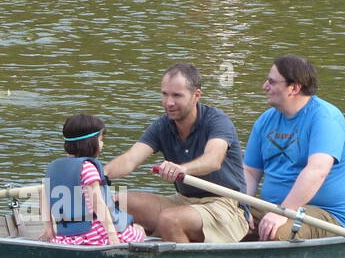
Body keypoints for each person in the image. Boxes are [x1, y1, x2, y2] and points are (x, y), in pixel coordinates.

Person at [103, 63, 251, 244]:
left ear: (196, 95)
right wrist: (100, 174)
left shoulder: (217, 121)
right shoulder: (162, 126)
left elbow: (213, 160)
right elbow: (130, 159)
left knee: (170, 219)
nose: (169, 103)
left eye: (177, 96)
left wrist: (182, 169)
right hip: (185, 201)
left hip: (227, 205)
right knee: (117, 203)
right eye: (165, 94)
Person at [243, 55, 345, 240]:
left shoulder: (325, 118)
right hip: (274, 209)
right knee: (222, 220)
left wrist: (284, 212)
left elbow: (317, 171)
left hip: (324, 215)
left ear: (293, 88)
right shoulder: (265, 120)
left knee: (276, 232)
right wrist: (242, 207)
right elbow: (250, 173)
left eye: (271, 82)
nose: (264, 86)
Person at [40, 115, 147, 246]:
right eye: (100, 139)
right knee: (140, 231)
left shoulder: (53, 168)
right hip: (94, 235)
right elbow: (99, 205)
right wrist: (112, 234)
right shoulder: (87, 168)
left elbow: (45, 200)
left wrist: (49, 229)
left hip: (67, 237)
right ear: (90, 142)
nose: (102, 144)